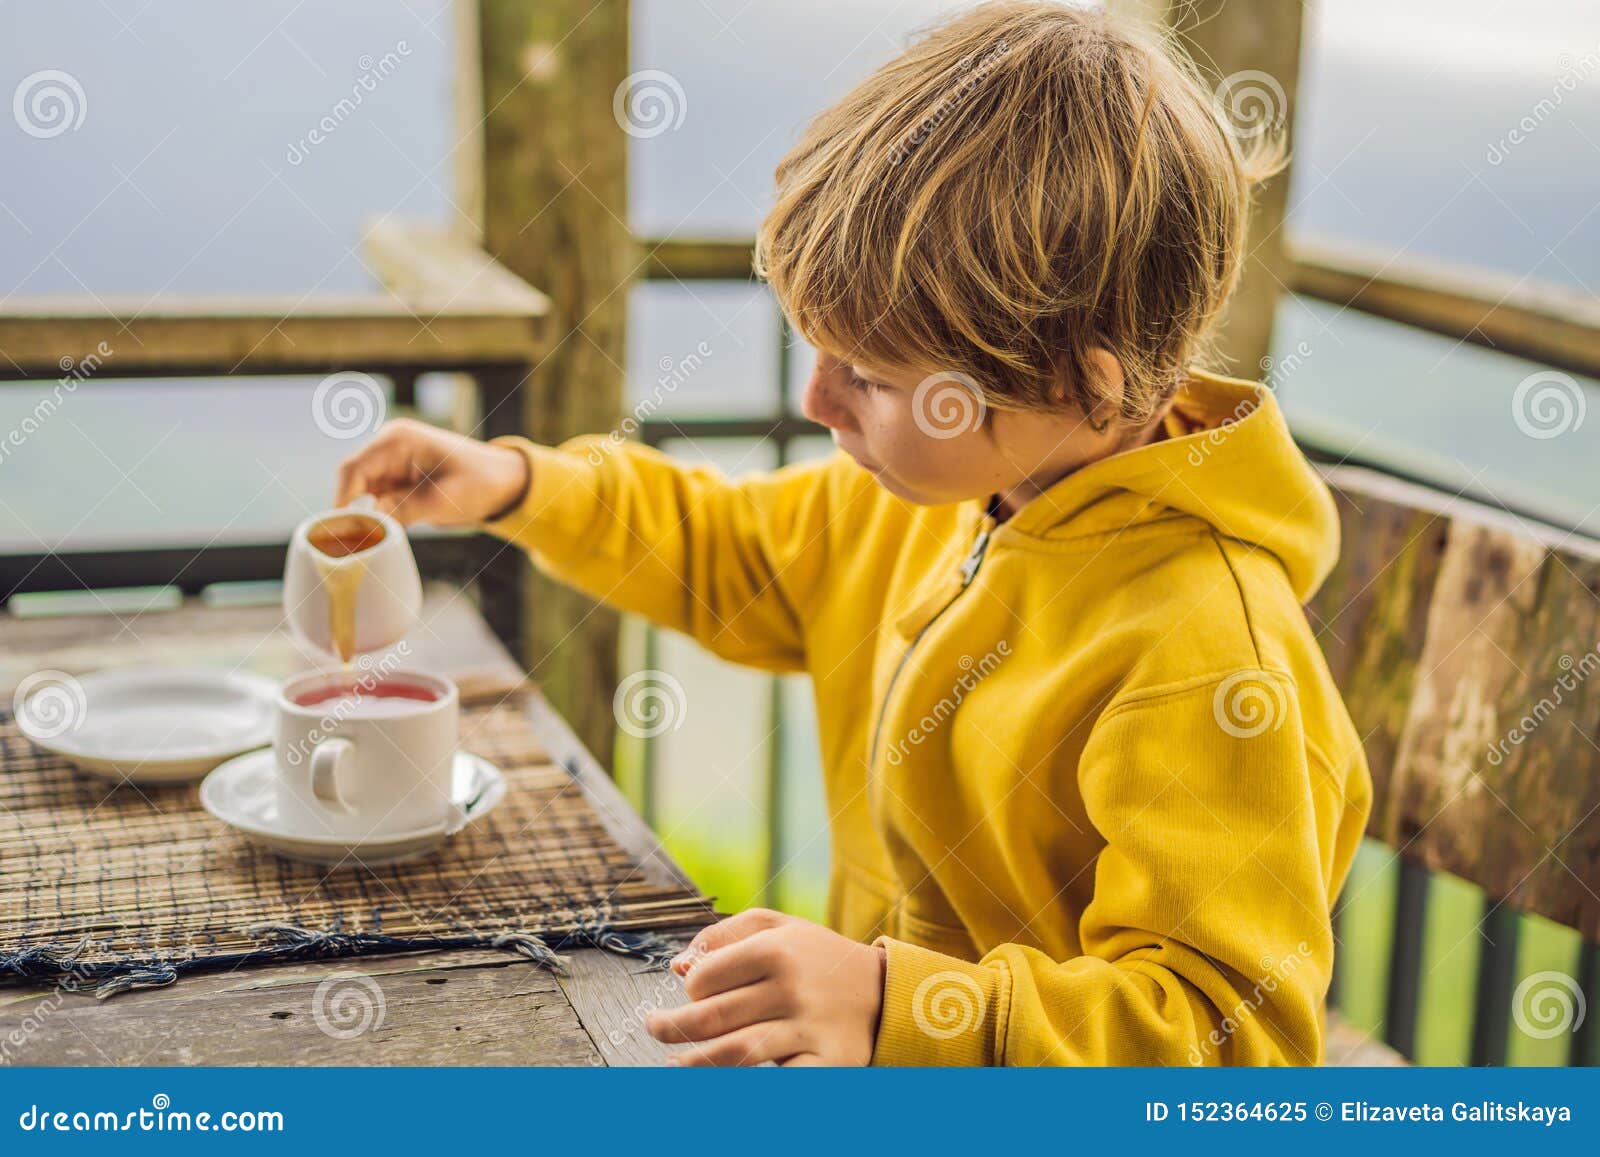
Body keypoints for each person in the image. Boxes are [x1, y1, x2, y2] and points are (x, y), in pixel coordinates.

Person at [335, 1, 1372, 1066]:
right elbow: (725, 546)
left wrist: (895, 1008)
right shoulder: (930, 500)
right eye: (819, 352)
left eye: (871, 376)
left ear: (1078, 381)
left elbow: (1223, 1035)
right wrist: (518, 484)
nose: (820, 400)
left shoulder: (1207, 656)